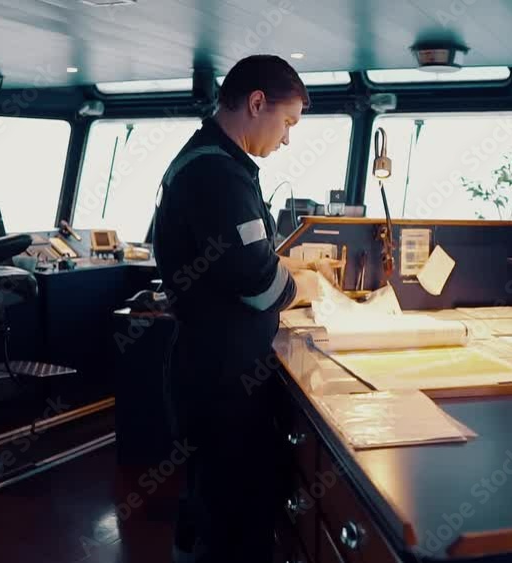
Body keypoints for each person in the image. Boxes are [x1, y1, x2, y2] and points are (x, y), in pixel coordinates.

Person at [152, 54, 335, 563]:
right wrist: (307, 285)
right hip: (222, 377)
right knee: (237, 520)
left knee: (211, 506)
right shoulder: (216, 173)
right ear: (258, 104)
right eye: (288, 122)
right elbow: (256, 282)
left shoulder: (216, 162)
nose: (288, 138)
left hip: (214, 366)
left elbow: (244, 261)